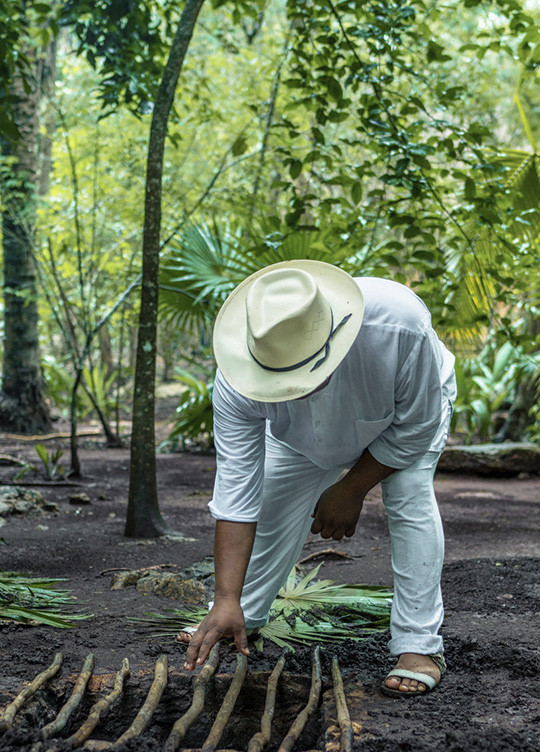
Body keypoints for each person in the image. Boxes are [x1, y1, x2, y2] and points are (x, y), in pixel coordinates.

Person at [180, 259, 456, 695]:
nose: (298, 385)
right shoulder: (237, 381)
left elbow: (418, 427)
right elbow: (237, 492)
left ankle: (419, 643)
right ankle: (239, 612)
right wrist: (225, 595)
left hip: (398, 419)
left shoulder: (399, 325)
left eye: (302, 373)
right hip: (299, 437)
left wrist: (351, 488)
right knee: (271, 503)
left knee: (409, 497)